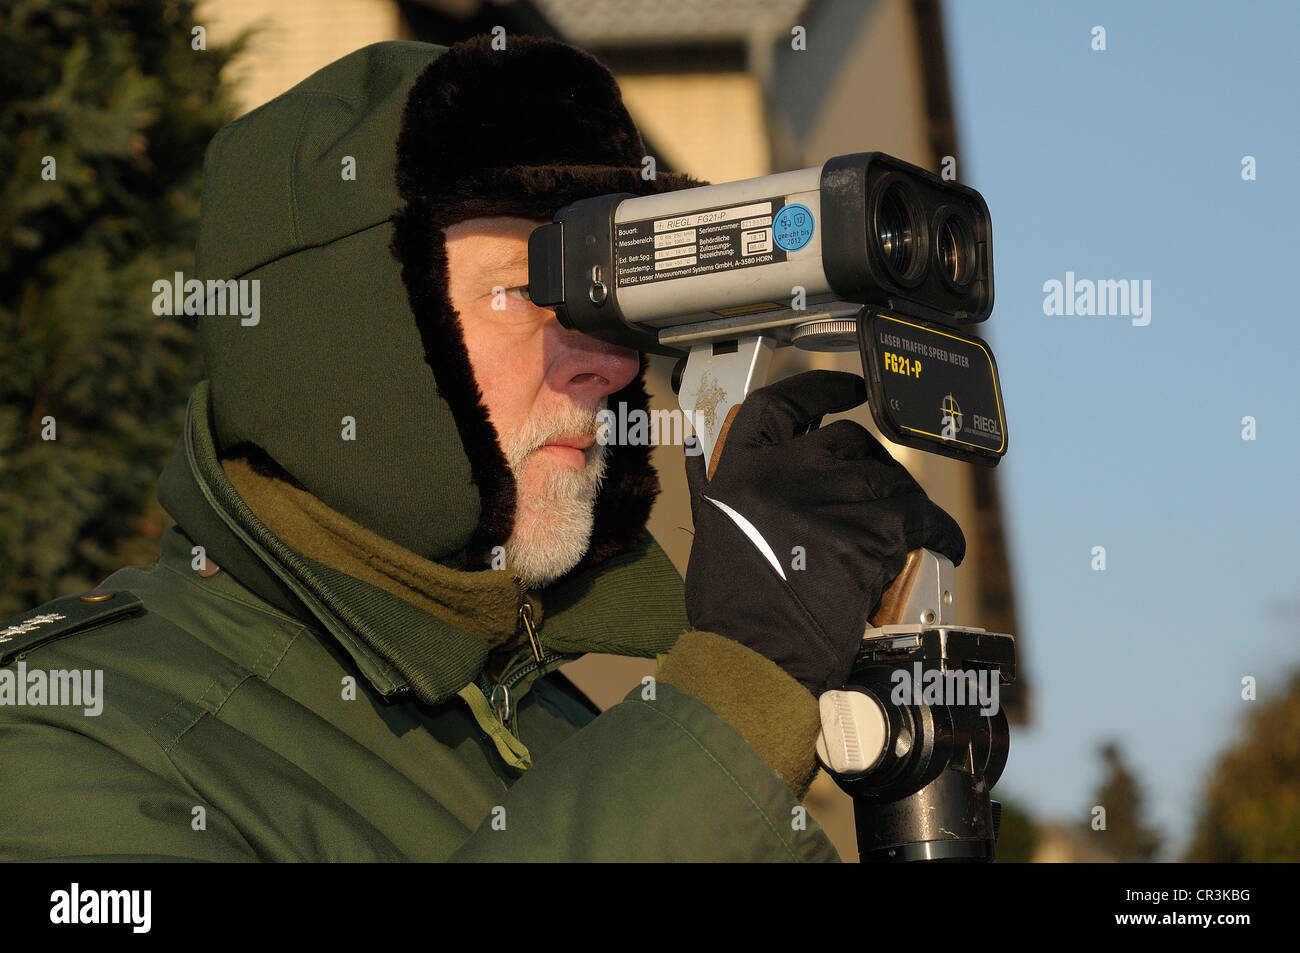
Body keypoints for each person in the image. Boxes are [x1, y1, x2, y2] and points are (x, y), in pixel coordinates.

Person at [0, 35, 963, 861]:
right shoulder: (68, 729)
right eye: (521, 291)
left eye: (605, 306)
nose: (610, 369)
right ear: (344, 341)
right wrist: (742, 692)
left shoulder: (567, 725)